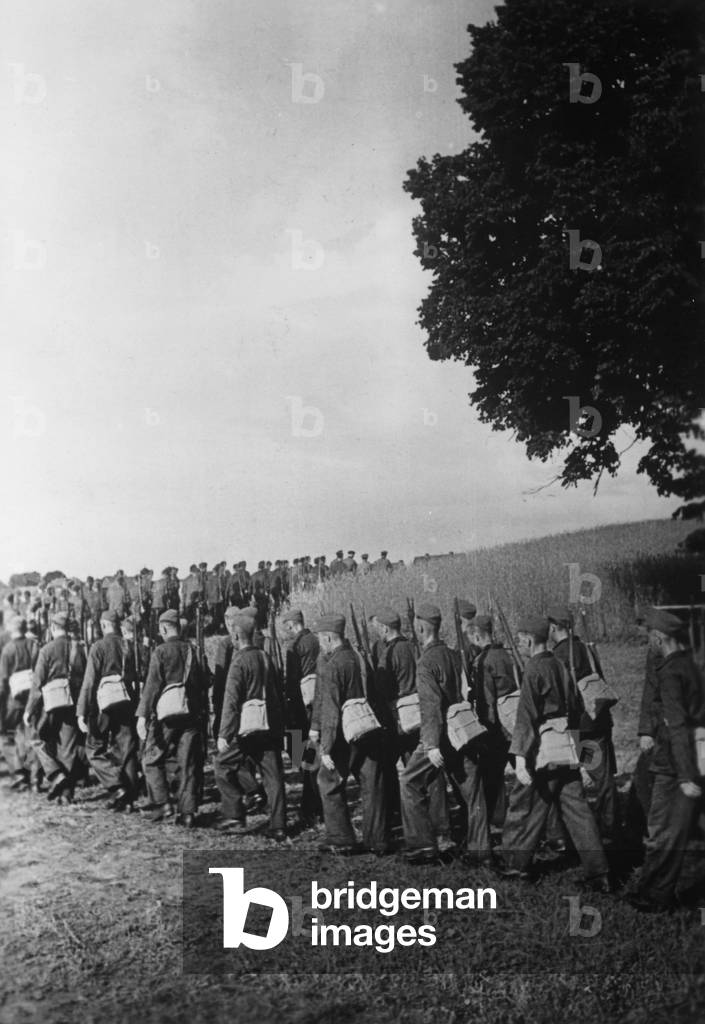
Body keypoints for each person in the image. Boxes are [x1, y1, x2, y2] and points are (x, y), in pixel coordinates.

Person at [499, 616, 610, 890]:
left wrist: (521, 761)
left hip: (543, 752)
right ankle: (601, 874)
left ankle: (515, 866)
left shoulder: (533, 670)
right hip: (568, 751)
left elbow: (525, 717)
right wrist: (583, 763)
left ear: (526, 640)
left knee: (523, 808)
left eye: (520, 640)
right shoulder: (560, 665)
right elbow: (578, 713)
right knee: (579, 812)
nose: (519, 646)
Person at [399, 603, 490, 866]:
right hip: (461, 731)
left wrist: (431, 745)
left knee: (409, 782)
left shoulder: (426, 661)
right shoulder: (453, 654)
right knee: (474, 792)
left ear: (420, 628)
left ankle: (422, 846)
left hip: (439, 736)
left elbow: (430, 706)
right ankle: (481, 851)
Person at [628, 608, 705, 912]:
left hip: (674, 763)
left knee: (661, 830)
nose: (650, 642)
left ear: (660, 638)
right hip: (690, 757)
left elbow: (677, 725)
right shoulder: (689, 665)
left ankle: (654, 895)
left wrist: (685, 776)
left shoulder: (671, 673)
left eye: (650, 637)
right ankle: (656, 891)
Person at [372, 606, 451, 846]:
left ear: (385, 629)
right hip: (420, 714)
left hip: (399, 719)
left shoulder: (389, 652)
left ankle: (405, 828)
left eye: (378, 630)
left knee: (398, 775)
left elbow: (382, 689)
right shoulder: (414, 646)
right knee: (429, 775)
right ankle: (442, 828)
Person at [311, 614, 388, 855]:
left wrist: (325, 748)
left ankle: (341, 838)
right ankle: (378, 840)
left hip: (345, 734)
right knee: (372, 784)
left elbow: (331, 710)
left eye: (321, 639)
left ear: (328, 637)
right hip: (367, 727)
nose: (319, 644)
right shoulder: (357, 656)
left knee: (328, 780)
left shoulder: (333, 666)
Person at [214, 610, 287, 840]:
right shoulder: (266, 658)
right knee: (273, 777)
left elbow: (231, 702)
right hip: (270, 726)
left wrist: (224, 734)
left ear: (236, 637)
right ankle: (279, 825)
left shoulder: (238, 662)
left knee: (222, 765)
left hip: (247, 729)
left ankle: (234, 813)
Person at [548, 605, 619, 843]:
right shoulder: (586, 649)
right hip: (600, 719)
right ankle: (608, 824)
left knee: (593, 777)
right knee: (603, 776)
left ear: (554, 628)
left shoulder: (559, 655)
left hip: (583, 726)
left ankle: (606, 829)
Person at [136, 609, 206, 827]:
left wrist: (142, 716)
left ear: (165, 628)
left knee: (151, 758)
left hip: (166, 716)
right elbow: (206, 680)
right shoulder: (194, 650)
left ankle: (162, 803)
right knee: (189, 763)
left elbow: (152, 686)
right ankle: (188, 813)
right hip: (192, 714)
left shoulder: (160, 652)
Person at [76, 609, 139, 811]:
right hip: (126, 700)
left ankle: (117, 787)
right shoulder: (128, 645)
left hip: (102, 705)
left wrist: (81, 711)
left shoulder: (98, 646)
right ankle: (128, 799)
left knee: (94, 749)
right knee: (127, 749)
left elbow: (89, 681)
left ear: (103, 625)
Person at [24, 612, 87, 802]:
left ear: (52, 628)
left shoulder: (47, 649)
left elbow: (37, 683)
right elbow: (84, 679)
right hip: (72, 702)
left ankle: (55, 774)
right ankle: (67, 794)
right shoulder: (79, 648)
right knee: (68, 748)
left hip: (50, 704)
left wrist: (29, 710)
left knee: (36, 739)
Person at [471, 613, 519, 828]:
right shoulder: (507, 654)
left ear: (476, 635)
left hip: (498, 728)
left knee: (490, 776)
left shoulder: (484, 660)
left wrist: (485, 731)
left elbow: (487, 700)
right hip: (516, 721)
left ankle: (497, 820)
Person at [282, 608, 322, 827]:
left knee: (305, 758)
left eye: (286, 627)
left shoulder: (295, 646)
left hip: (301, 707)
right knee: (312, 756)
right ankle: (314, 804)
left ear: (291, 625)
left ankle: (311, 807)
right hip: (316, 704)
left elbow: (292, 683)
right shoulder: (316, 640)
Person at [0, 616, 39, 791]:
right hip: (32, 696)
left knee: (9, 737)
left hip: (14, 700)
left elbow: (3, 679)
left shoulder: (8, 649)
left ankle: (19, 773)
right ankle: (35, 778)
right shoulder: (33, 645)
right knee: (33, 735)